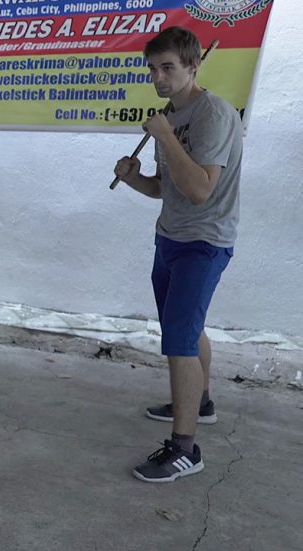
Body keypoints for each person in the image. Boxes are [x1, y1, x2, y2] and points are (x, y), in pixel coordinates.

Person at [114, 26, 242, 484]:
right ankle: (200, 401)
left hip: (203, 242)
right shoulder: (172, 113)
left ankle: (186, 449)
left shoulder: (213, 115)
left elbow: (201, 190)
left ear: (193, 65)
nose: (159, 78)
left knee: (179, 342)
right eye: (153, 69)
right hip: (170, 237)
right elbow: (167, 190)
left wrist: (166, 137)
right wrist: (133, 178)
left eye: (168, 68)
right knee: (183, 328)